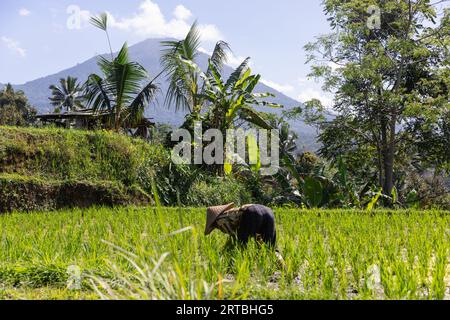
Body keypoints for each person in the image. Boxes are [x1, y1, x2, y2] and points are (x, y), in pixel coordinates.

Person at [204, 203, 277, 246]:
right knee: (271, 247)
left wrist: (225, 250)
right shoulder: (231, 211)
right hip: (268, 211)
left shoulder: (219, 220)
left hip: (251, 212)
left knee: (241, 245)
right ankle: (284, 270)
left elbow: (234, 236)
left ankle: (234, 267)